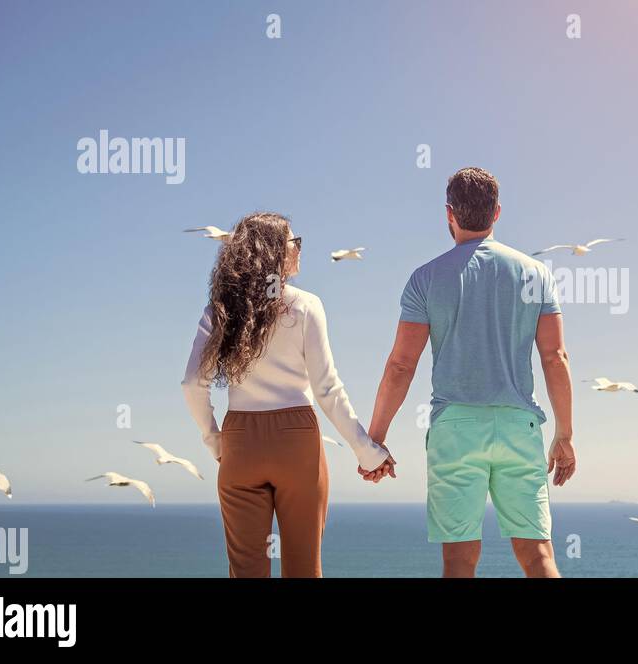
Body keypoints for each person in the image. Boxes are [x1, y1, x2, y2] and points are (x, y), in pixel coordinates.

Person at [363, 167, 576, 578]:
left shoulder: (425, 278)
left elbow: (401, 365)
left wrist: (376, 438)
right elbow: (555, 358)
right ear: (497, 212)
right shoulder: (536, 273)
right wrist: (564, 435)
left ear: (449, 213)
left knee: (459, 562)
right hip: (519, 426)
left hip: (455, 429)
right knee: (538, 556)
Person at [181, 211, 390, 577]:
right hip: (297, 442)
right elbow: (327, 389)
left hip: (240, 441)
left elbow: (192, 384)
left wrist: (216, 443)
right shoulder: (306, 305)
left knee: (246, 571)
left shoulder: (220, 309)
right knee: (303, 569)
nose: (299, 249)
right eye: (295, 241)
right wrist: (367, 452)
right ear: (274, 250)